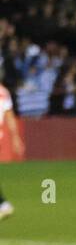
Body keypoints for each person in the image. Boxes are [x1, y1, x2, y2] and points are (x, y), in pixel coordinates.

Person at [0, 82, 22, 220]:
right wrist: (15, 137)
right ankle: (3, 204)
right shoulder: (4, 92)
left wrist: (15, 138)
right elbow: (9, 116)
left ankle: (3, 204)